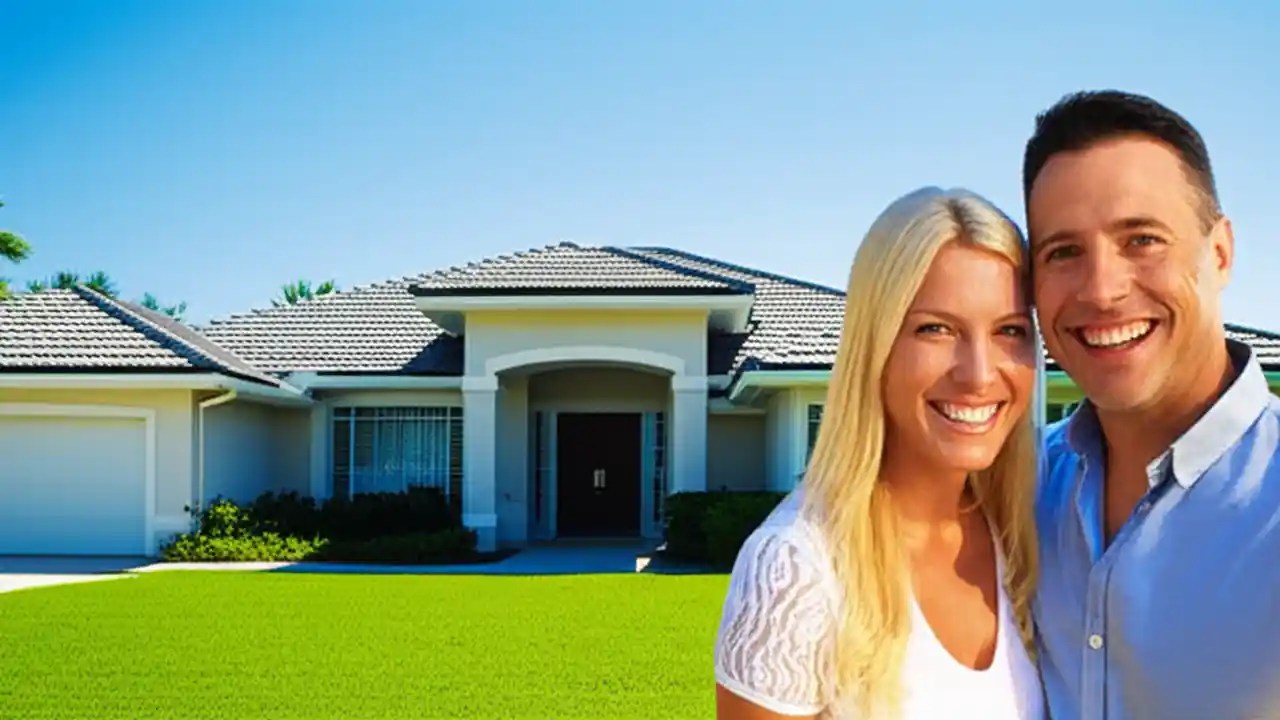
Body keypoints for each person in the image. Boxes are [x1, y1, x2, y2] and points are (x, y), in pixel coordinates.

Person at [713, 187, 1045, 719]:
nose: (980, 374)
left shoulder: (1028, 529)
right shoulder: (797, 568)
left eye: (1009, 331)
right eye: (935, 329)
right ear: (876, 346)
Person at [1026, 90, 1280, 718]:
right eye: (1063, 252)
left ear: (1219, 253)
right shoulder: (1017, 488)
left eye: (1142, 239)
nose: (1102, 290)